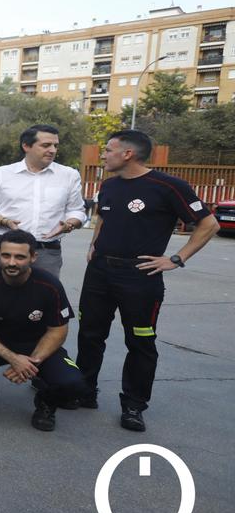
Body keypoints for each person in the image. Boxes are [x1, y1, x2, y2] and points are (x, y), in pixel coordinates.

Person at [76, 130, 218, 432]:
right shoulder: (109, 184)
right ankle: (84, 391)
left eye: (109, 149)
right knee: (89, 333)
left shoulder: (168, 186)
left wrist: (176, 259)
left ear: (128, 154)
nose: (104, 155)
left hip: (139, 276)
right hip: (99, 272)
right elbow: (104, 216)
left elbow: (208, 223)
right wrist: (94, 244)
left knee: (140, 341)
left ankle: (133, 405)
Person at [0, 230, 89, 431]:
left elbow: (58, 331)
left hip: (35, 346)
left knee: (74, 384)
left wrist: (31, 363)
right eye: (6, 255)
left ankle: (46, 402)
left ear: (33, 257)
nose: (12, 262)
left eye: (20, 257)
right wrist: (13, 358)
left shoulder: (50, 285)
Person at [0, 124, 87, 277]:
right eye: (46, 145)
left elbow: (77, 210)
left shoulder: (69, 175)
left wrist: (69, 224)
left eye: (55, 145)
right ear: (26, 146)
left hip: (47, 253)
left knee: (44, 298)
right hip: (8, 251)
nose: (53, 150)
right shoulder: (2, 173)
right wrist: (4, 221)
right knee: (1, 296)